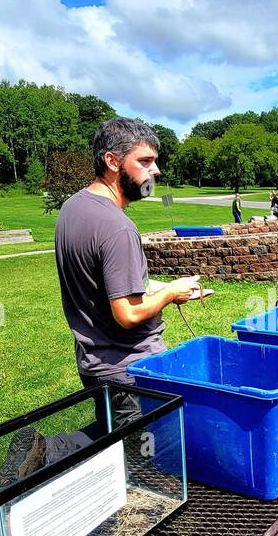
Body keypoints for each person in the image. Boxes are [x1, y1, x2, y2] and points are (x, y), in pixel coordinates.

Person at [55, 117, 204, 391]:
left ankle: (49, 439)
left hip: (94, 364)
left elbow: (100, 284)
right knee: (153, 434)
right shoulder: (117, 227)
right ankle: (54, 439)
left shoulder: (72, 208)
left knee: (115, 433)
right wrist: (171, 294)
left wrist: (163, 287)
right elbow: (129, 313)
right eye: (145, 161)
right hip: (130, 367)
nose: (156, 171)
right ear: (113, 161)